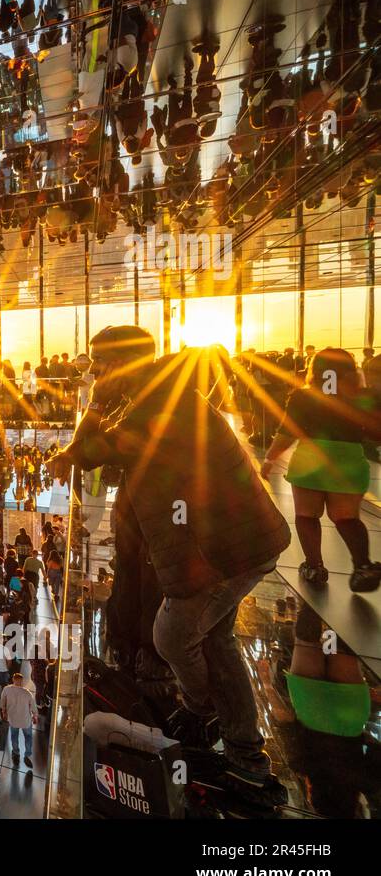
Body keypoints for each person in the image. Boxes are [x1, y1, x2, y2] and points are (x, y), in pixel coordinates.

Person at [48, 325, 291, 787]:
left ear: (124, 365)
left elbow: (97, 449)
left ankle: (204, 711)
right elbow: (101, 440)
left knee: (172, 635)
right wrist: (97, 408)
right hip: (236, 544)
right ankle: (245, 753)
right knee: (216, 640)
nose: (95, 373)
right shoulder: (156, 396)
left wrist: (78, 437)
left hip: (224, 550)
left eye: (101, 365)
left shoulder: (161, 406)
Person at [261, 348, 381, 592]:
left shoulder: (303, 397)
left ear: (316, 370)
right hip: (348, 461)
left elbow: (287, 432)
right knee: (347, 519)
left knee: (307, 516)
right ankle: (362, 566)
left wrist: (270, 459)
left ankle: (314, 566)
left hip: (309, 461)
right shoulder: (362, 397)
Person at [0, 672, 38, 769]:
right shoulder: (27, 693)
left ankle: (16, 753)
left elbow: (2, 702)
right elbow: (33, 707)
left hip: (13, 720)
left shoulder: (7, 689)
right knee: (28, 737)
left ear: (13, 680)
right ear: (22, 681)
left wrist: (4, 712)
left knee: (14, 736)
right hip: (25, 720)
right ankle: (27, 755)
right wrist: (35, 717)